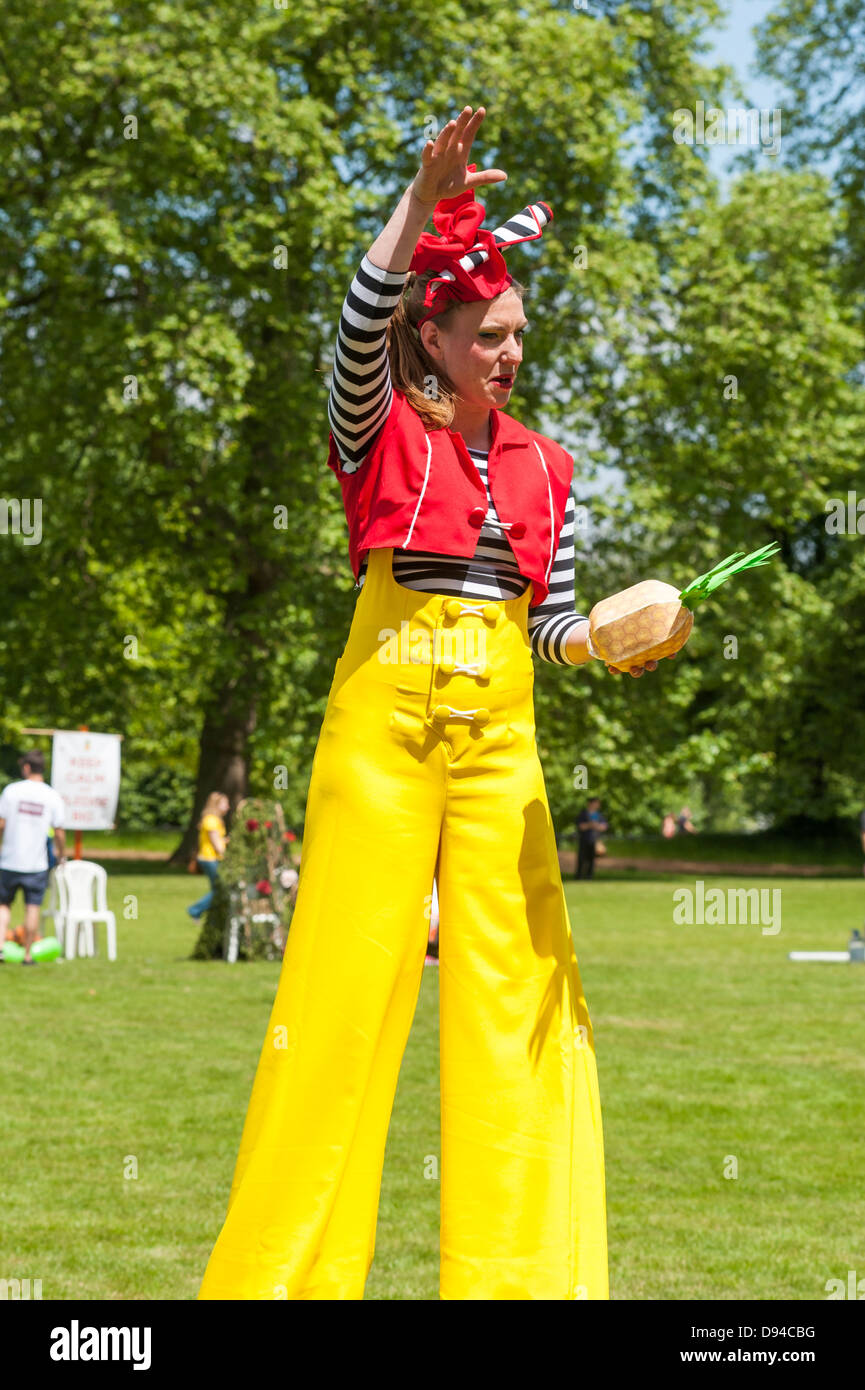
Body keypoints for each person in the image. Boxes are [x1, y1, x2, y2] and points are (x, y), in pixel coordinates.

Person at [198, 105, 679, 1302]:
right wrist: (417, 201)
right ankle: (284, 1283)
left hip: (501, 743)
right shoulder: (376, 432)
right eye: (488, 334)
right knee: (343, 1000)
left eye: (518, 334)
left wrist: (605, 648)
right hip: (380, 739)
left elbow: (549, 619)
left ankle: (519, 1285)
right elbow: (360, 317)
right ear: (437, 335)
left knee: (522, 1005)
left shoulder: (549, 469)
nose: (509, 353)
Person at [0, 751, 66, 965]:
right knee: (32, 907)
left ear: (27, 767)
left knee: (3, 906)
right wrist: (61, 855)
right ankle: (28, 956)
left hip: (8, 861)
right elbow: (59, 831)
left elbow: (1, 823)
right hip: (36, 864)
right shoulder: (51, 795)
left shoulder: (12, 791)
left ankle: (0, 949)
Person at [187, 792, 229, 920]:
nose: (228, 807)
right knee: (220, 890)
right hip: (210, 859)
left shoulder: (214, 820)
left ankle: (214, 916)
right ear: (216, 805)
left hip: (212, 858)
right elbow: (217, 844)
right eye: (225, 804)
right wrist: (227, 855)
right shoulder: (211, 820)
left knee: (219, 889)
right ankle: (194, 910)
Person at [575, 797, 608, 880]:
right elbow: (580, 826)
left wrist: (596, 826)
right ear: (590, 804)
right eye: (596, 803)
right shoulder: (583, 814)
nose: (598, 805)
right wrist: (590, 825)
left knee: (591, 859)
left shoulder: (599, 815)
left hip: (594, 840)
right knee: (582, 858)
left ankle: (589, 876)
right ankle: (579, 876)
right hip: (584, 840)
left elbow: (604, 826)